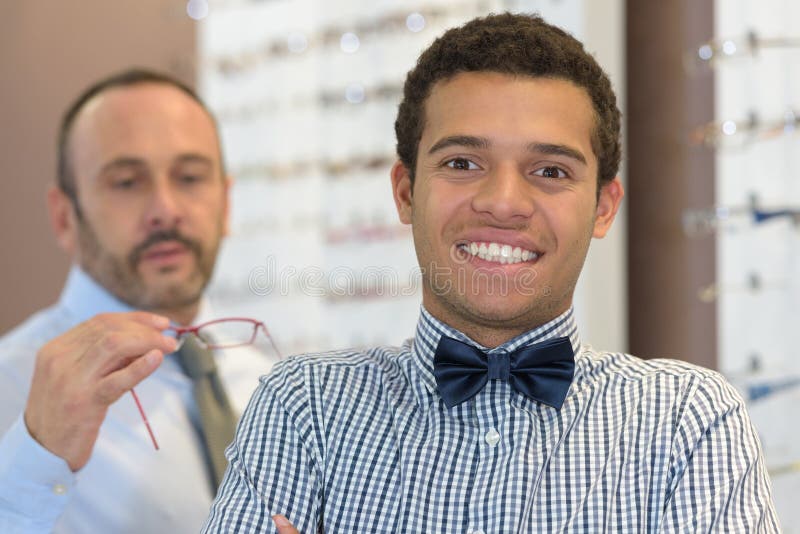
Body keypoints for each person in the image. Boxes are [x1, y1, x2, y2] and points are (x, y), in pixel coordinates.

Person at [204, 13, 780, 534]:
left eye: (550, 170)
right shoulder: (306, 407)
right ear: (406, 192)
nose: (504, 202)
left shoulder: (689, 422)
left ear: (603, 207)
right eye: (462, 163)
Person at [0, 69, 278, 533]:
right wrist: (36, 460)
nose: (166, 209)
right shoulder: (11, 391)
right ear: (64, 217)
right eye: (126, 182)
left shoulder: (266, 385)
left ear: (226, 205)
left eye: (190, 177)